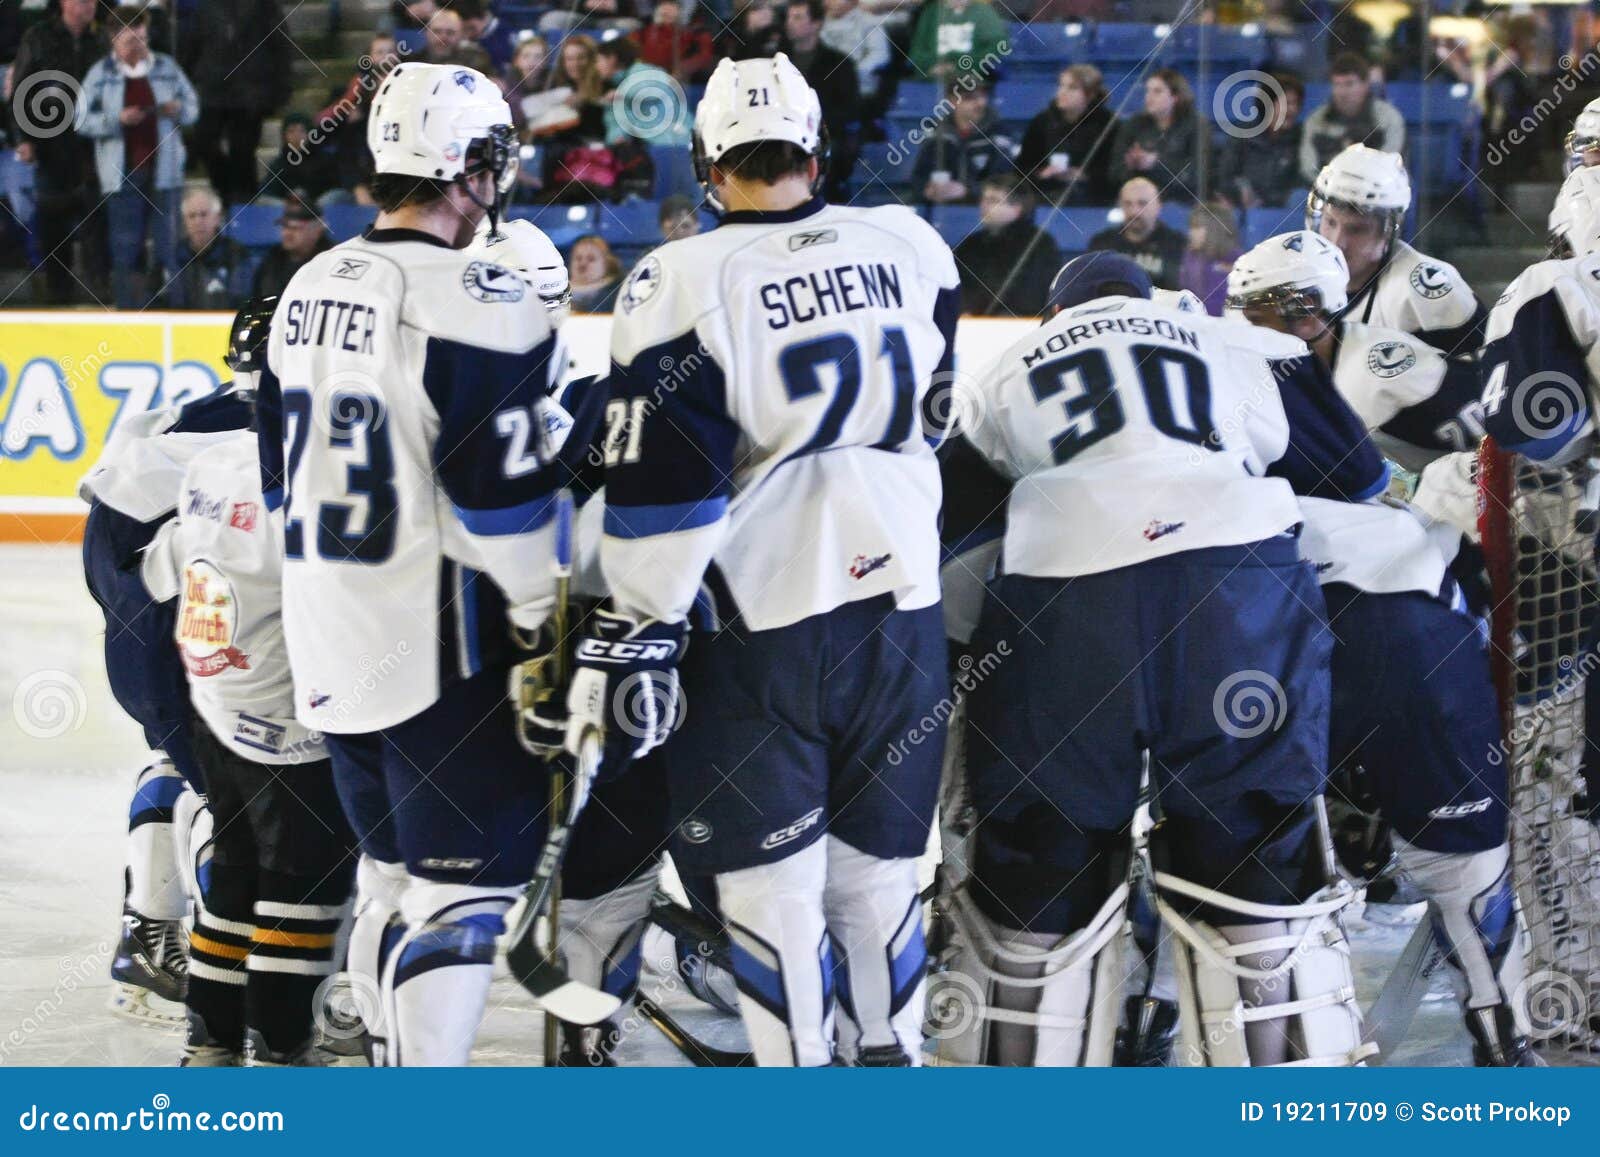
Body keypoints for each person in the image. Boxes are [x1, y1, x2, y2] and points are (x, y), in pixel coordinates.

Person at [561, 52, 960, 1067]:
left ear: (707, 166)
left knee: (771, 889)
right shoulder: (912, 244)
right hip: (902, 601)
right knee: (877, 876)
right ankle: (893, 1064)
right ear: (816, 153)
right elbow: (934, 407)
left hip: (767, 617)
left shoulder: (680, 279)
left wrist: (643, 625)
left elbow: (669, 493)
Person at [941, 250, 1381, 1067]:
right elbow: (1357, 476)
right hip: (1235, 591)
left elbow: (951, 532)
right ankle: (1283, 1095)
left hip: (1065, 599)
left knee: (1040, 865)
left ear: (1055, 314)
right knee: (1257, 855)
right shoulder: (1231, 340)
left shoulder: (1008, 364)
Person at [257, 61, 568, 1067]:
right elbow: (504, 503)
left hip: (330, 634)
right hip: (440, 650)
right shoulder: (477, 292)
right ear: (464, 164)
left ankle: (386, 1070)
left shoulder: (308, 283)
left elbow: (278, 478)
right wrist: (548, 615)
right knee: (462, 895)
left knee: (391, 878)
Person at [1227, 231, 1535, 1066]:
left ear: (1327, 312)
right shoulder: (1268, 366)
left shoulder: (1372, 359)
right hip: (1371, 607)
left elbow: (1496, 427)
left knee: (1232, 859)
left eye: (1289, 310)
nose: (1273, 326)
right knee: (1458, 863)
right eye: (1258, 309)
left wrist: (1444, 492)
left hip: (1292, 614)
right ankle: (1500, 1033)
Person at [141, 302, 361, 1067]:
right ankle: (281, 1043)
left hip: (216, 704)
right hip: (287, 721)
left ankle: (211, 1036)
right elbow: (339, 596)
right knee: (303, 882)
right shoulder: (303, 472)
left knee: (235, 865)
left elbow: (165, 569)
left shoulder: (209, 464)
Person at [78, 341, 260, 1030]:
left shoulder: (185, 413)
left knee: (177, 756)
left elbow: (103, 511)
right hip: (185, 609)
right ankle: (235, 977)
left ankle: (147, 940)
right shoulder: (293, 426)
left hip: (133, 600)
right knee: (244, 795)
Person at [1308, 144, 1484, 359]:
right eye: (1330, 222)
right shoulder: (1300, 280)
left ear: (1388, 231)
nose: (1337, 242)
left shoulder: (1425, 291)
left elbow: (1481, 372)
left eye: (1356, 230)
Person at [76, 6, 198, 309]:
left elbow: (193, 109)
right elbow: (80, 119)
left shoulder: (167, 67)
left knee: (169, 248)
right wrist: (115, 119)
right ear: (113, 40)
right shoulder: (100, 73)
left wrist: (177, 110)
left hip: (165, 173)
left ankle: (176, 313)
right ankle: (127, 313)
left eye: (142, 39)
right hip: (123, 174)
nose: (138, 47)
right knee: (126, 250)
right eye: (131, 41)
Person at [7, 0, 108, 304]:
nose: (89, 6)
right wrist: (23, 138)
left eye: (93, 1)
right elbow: (20, 90)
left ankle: (99, 294)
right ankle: (57, 295)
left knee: (96, 221)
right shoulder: (38, 37)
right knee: (53, 223)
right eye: (82, 1)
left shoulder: (102, 39)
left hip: (93, 146)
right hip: (49, 143)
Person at [181, 0, 292, 207]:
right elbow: (192, 44)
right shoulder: (206, 6)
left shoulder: (264, 5)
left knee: (243, 152)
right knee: (204, 141)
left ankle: (244, 205)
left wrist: (281, 89)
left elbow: (280, 44)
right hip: (213, 89)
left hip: (250, 92)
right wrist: (184, 79)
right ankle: (226, 193)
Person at [954, 175, 1061, 316]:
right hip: (971, 321)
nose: (983, 205)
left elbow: (1034, 294)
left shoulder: (1038, 244)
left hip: (1020, 321)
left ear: (1016, 208)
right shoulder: (970, 244)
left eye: (993, 200)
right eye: (983, 199)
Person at [782, 0, 857, 199]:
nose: (789, 23)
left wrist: (811, 124)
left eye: (797, 17)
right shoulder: (777, 62)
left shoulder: (839, 63)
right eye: (789, 17)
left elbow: (848, 109)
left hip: (823, 134)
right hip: (782, 133)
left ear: (816, 24)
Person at [1014, 65, 1118, 206]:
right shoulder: (1042, 121)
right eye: (1061, 86)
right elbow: (1022, 167)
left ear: (1090, 94)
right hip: (1045, 191)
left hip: (1093, 195)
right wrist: (1041, 173)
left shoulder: (1109, 124)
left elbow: (1114, 171)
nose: (1062, 92)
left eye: (1072, 88)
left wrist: (1085, 176)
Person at [1299, 53, 1404, 184]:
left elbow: (1390, 164)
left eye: (1349, 84)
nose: (1342, 92)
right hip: (1327, 189)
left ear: (1366, 84)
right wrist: (1333, 187)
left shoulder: (1389, 118)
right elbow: (1308, 168)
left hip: (1377, 190)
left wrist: (1357, 187)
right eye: (1337, 84)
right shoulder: (1316, 120)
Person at [910, 82, 1015, 206]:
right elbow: (919, 176)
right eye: (969, 98)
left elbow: (1004, 182)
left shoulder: (999, 132)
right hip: (938, 205)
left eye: (983, 96)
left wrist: (967, 191)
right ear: (952, 101)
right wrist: (926, 190)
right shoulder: (936, 132)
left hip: (984, 207)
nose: (980, 103)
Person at [1216, 71, 1305, 209]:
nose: (1292, 109)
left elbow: (1301, 183)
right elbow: (1225, 176)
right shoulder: (1242, 133)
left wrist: (1265, 200)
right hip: (1242, 208)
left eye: (1296, 104)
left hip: (1282, 209)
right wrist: (1239, 190)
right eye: (1287, 103)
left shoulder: (1301, 137)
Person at [1109, 68, 1197, 202]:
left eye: (1157, 91)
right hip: (1137, 200)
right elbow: (1114, 172)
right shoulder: (1134, 124)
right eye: (1147, 91)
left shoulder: (1195, 125)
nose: (1149, 97)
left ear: (1175, 97)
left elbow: (1196, 175)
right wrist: (1131, 165)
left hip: (1182, 201)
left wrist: (1155, 163)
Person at [163, 185, 256, 310]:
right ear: (184, 222)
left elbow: (242, 303)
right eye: (192, 216)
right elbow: (163, 307)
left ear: (217, 218)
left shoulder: (237, 255)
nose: (198, 221)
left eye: (203, 214)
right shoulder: (174, 258)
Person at [1088, 177, 1185, 291]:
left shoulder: (1178, 245)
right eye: (1128, 204)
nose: (1134, 211)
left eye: (1142, 203)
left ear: (1158, 206)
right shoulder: (1102, 244)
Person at [251, 200, 334, 299]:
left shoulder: (331, 259)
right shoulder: (273, 257)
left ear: (317, 230)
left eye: (296, 228)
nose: (287, 234)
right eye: (285, 227)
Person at [908, 0, 1006, 84]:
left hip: (971, 79)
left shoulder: (983, 12)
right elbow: (917, 51)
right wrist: (930, 67)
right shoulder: (932, 12)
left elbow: (998, 45)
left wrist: (960, 67)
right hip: (933, 77)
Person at [258, 112, 343, 206]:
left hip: (321, 208)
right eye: (291, 131)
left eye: (301, 131)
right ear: (284, 136)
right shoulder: (279, 163)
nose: (296, 135)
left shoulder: (325, 159)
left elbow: (337, 188)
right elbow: (267, 192)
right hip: (288, 209)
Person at [820, 0, 889, 103]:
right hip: (822, 83)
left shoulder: (869, 22)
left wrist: (854, 72)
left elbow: (880, 55)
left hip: (857, 84)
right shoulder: (816, 22)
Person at [1179, 203, 1240, 316]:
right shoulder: (1190, 256)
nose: (1190, 233)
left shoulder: (1239, 261)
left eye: (1196, 228)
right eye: (1191, 227)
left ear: (1214, 230)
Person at [635, 0, 716, 84]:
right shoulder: (644, 32)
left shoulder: (697, 33)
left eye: (671, 5)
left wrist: (682, 69)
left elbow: (704, 57)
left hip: (687, 81)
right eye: (663, 5)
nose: (666, 10)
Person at [423, 6, 493, 74]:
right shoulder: (417, 61)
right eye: (437, 31)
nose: (443, 37)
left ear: (461, 35)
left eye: (450, 32)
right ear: (427, 33)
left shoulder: (476, 59)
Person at [568, 233, 623, 312]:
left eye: (591, 259)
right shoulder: (556, 290)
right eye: (578, 258)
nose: (582, 264)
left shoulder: (616, 293)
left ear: (606, 264)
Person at [720, 2, 785, 61]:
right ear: (747, 15)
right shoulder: (733, 35)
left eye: (768, 8)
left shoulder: (779, 34)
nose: (765, 13)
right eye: (757, 9)